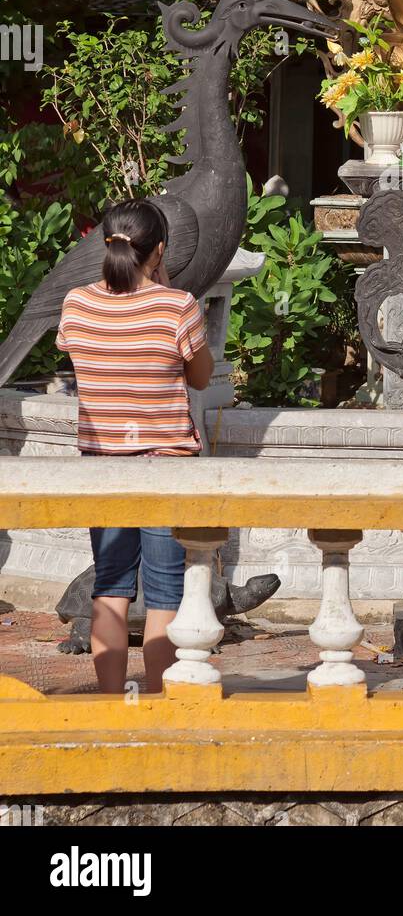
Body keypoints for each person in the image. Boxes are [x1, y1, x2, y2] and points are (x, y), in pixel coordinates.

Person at [56, 199, 214, 694]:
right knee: (166, 590)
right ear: (159, 249)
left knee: (110, 586)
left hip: (101, 466)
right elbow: (202, 378)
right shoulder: (177, 305)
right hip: (164, 466)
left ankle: (109, 700)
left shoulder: (77, 303)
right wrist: (162, 292)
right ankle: (156, 699)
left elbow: (77, 356)